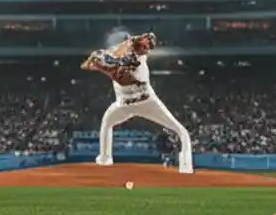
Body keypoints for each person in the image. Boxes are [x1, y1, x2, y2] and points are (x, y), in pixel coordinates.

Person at [83, 32, 194, 174]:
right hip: (130, 104)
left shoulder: (134, 62)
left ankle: (186, 167)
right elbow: (88, 65)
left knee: (182, 132)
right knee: (107, 122)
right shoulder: (127, 53)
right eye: (144, 44)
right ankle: (105, 158)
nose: (145, 48)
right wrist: (96, 60)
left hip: (142, 103)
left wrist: (99, 63)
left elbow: (117, 73)